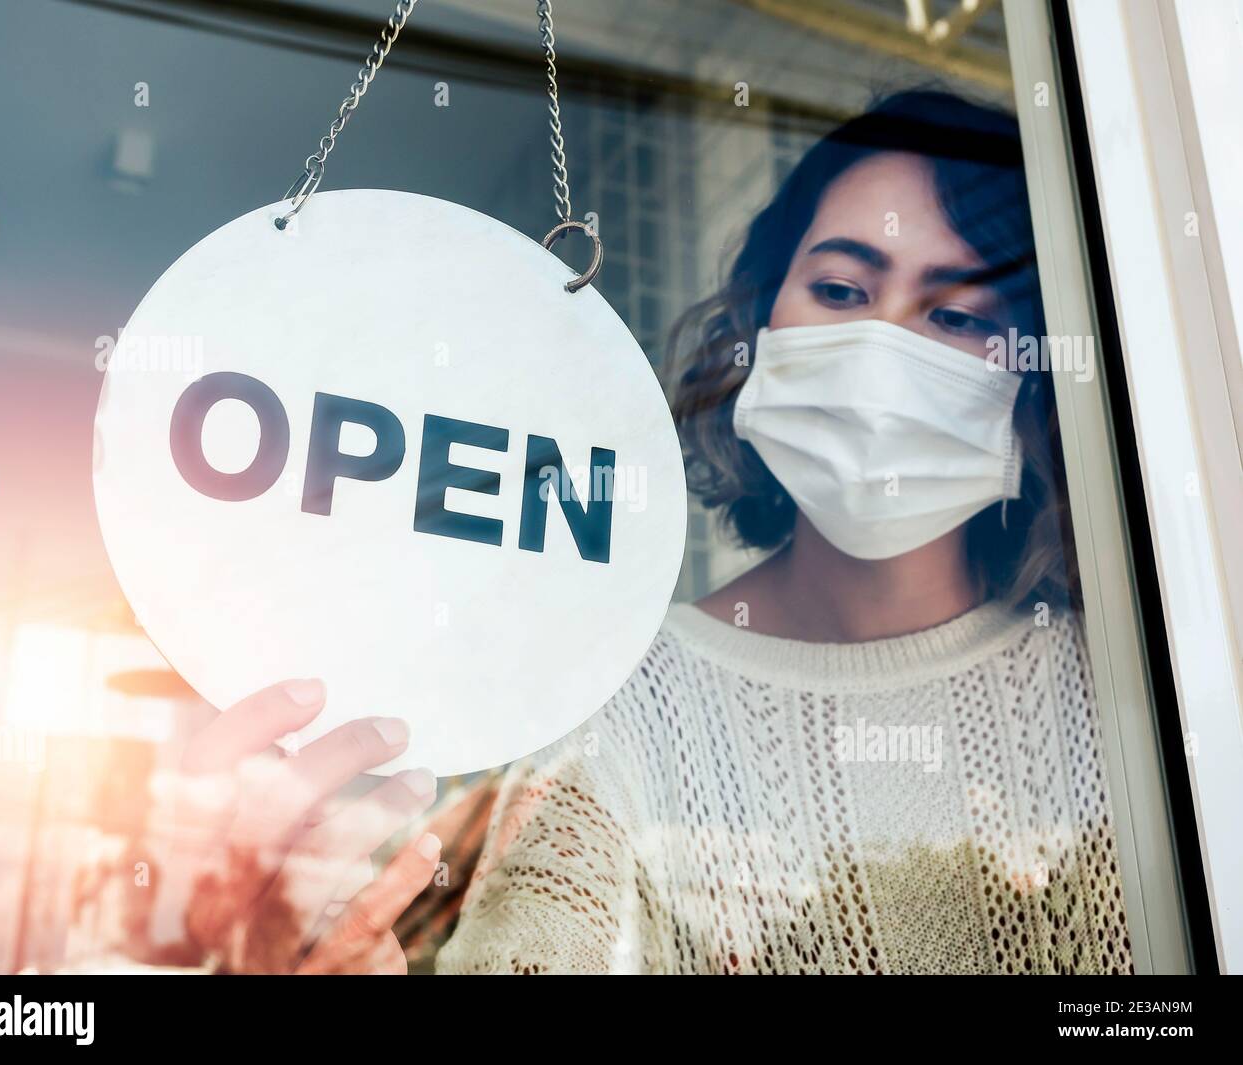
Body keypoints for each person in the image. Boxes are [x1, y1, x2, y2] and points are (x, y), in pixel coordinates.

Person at [159, 89, 1132, 975]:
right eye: (839, 292)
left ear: (1033, 374)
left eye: (956, 314)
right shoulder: (620, 716)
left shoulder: (1132, 690)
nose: (882, 351)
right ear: (757, 327)